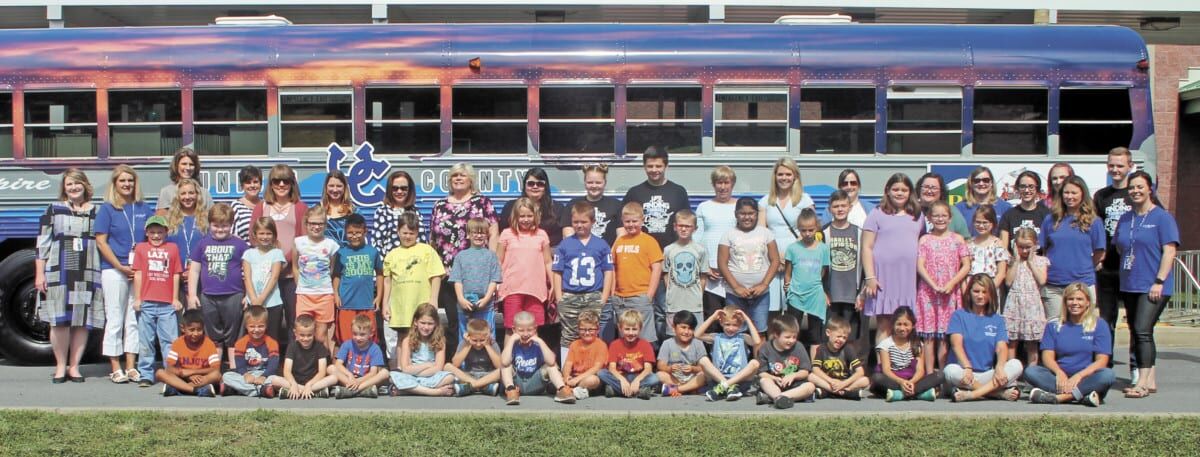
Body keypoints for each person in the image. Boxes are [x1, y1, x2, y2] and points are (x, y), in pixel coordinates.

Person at [1114, 171, 1178, 399]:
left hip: (1153, 285)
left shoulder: (1162, 217)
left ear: (1149, 189)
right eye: (1132, 188)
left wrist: (1159, 281)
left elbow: (1169, 251)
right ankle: (1150, 379)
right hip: (1130, 282)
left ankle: (1141, 382)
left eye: (1140, 187)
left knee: (1141, 330)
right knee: (1141, 331)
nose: (1135, 191)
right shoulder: (1125, 218)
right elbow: (1121, 246)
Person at [430, 163, 499, 355]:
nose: (458, 178)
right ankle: (457, 362)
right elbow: (433, 240)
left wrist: (491, 262)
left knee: (481, 321)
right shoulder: (439, 205)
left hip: (477, 272)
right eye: (454, 176)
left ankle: (485, 363)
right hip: (448, 274)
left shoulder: (482, 202)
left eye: (462, 175)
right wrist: (437, 268)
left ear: (471, 180)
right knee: (454, 322)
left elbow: (494, 233)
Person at [622, 147, 690, 339]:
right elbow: (624, 226)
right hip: (640, 261)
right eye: (650, 166)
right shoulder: (634, 192)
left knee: (663, 309)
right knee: (638, 311)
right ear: (644, 167)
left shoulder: (678, 191)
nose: (654, 170)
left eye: (658, 166)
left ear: (666, 166)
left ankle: (661, 349)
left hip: (668, 260)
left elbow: (685, 223)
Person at [95, 165, 152, 384]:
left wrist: (139, 266)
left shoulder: (143, 208)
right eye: (122, 181)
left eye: (130, 180)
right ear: (115, 184)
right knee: (115, 316)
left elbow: (151, 238)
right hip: (114, 270)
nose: (127, 184)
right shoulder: (108, 209)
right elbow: (101, 242)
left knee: (134, 317)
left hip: (137, 271)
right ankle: (115, 366)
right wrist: (119, 266)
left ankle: (131, 365)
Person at [1026, 283, 1115, 407]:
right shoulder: (1054, 325)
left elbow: (1102, 361)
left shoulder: (1099, 325)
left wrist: (1079, 376)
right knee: (1031, 372)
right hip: (1060, 378)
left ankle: (1061, 398)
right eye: (1070, 299)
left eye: (1079, 299)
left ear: (1088, 302)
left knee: (1107, 375)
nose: (1074, 303)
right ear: (1065, 302)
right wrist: (1059, 372)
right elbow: (1047, 356)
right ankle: (1083, 396)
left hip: (1086, 377)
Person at [863, 173, 924, 342]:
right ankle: (883, 364)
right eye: (895, 189)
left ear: (910, 192)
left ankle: (903, 364)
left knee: (906, 324)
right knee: (884, 324)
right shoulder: (876, 213)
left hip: (908, 279)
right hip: (884, 278)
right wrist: (870, 277)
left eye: (904, 190)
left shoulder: (917, 216)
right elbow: (867, 247)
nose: (899, 193)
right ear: (887, 191)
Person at [945, 274, 1024, 402]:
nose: (980, 296)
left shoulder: (997, 319)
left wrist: (999, 367)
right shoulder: (958, 315)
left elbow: (1001, 347)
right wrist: (967, 367)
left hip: (987, 374)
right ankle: (997, 394)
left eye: (984, 292)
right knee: (950, 370)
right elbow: (956, 345)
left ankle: (972, 394)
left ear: (991, 294)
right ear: (969, 292)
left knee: (1016, 364)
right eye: (976, 291)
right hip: (965, 373)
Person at [188, 203, 249, 366]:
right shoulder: (202, 244)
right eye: (216, 226)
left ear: (232, 225)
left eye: (225, 226)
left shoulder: (240, 245)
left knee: (233, 334)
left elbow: (249, 272)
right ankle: (214, 369)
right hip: (208, 296)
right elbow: (194, 270)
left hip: (234, 295)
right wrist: (192, 295)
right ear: (210, 224)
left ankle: (235, 369)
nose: (220, 229)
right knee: (214, 335)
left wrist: (249, 294)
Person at [251, 164, 307, 336]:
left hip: (291, 274)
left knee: (293, 318)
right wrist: (271, 261)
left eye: (286, 181)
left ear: (292, 183)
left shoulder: (299, 207)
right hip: (265, 275)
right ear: (271, 184)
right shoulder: (261, 207)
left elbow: (302, 239)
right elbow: (253, 237)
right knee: (268, 320)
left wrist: (284, 260)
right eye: (276, 181)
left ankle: (291, 357)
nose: (281, 185)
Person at [916, 200, 972, 374]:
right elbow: (920, 265)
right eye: (936, 216)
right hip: (928, 293)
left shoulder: (957, 239)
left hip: (950, 292)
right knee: (929, 336)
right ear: (930, 218)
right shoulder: (925, 239)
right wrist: (933, 285)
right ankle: (929, 374)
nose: (940, 219)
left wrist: (951, 284)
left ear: (950, 218)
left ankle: (943, 373)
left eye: (943, 216)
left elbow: (966, 265)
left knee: (944, 337)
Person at [552, 202, 613, 360]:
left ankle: (590, 370)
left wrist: (604, 297)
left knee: (591, 333)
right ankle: (567, 372)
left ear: (593, 222)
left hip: (593, 296)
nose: (579, 225)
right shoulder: (565, 244)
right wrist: (559, 297)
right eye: (576, 222)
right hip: (570, 296)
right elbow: (557, 272)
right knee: (569, 335)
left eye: (584, 222)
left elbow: (608, 271)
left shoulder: (601, 245)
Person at [1040, 176, 1105, 320]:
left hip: (1083, 285)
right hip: (1054, 286)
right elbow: (1044, 251)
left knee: (1084, 331)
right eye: (1066, 193)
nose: (1069, 197)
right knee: (1055, 330)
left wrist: (1083, 267)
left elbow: (1100, 253)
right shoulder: (1050, 220)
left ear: (1083, 194)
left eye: (1074, 193)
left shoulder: (1094, 221)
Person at [383, 212, 446, 359]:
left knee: (425, 335)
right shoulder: (392, 254)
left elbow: (436, 275)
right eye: (404, 232)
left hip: (421, 304)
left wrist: (434, 299)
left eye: (411, 233)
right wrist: (386, 303)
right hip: (401, 306)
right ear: (398, 231)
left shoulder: (427, 250)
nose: (407, 236)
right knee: (402, 337)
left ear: (417, 232)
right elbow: (388, 280)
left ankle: (427, 364)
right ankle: (400, 366)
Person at [759, 158, 816, 318]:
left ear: (795, 176)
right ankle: (772, 342)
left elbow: (811, 228)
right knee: (771, 310)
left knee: (793, 309)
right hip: (771, 260)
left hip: (797, 258)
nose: (784, 178)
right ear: (775, 176)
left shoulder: (805, 200)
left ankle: (792, 341)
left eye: (788, 174)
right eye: (780, 174)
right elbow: (761, 232)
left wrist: (787, 257)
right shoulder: (765, 201)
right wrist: (776, 258)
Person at [1094, 147, 1134, 372]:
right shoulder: (1101, 195)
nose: (1116, 169)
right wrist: (1098, 256)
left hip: (1132, 267)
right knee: (1106, 319)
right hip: (1107, 268)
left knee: (1136, 323)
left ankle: (1137, 368)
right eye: (1112, 165)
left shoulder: (1137, 191)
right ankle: (1104, 366)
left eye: (1120, 165)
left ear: (1130, 166)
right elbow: (1095, 227)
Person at [131, 215, 182, 387]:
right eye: (152, 232)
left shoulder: (173, 248)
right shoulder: (141, 248)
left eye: (160, 232)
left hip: (167, 304)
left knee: (170, 341)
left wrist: (175, 298)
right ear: (146, 233)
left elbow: (176, 273)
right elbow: (138, 273)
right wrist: (138, 298)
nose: (156, 236)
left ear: (166, 232)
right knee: (146, 341)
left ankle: (171, 373)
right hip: (146, 303)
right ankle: (146, 373)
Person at [719, 197, 780, 336]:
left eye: (751, 213)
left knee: (759, 331)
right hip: (735, 294)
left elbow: (775, 260)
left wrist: (764, 284)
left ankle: (758, 358)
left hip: (761, 294)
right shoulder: (728, 235)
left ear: (757, 214)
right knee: (734, 330)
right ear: (736, 214)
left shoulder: (766, 233)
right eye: (743, 213)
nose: (747, 217)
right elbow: (722, 263)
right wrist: (736, 287)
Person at [608, 202, 663, 344]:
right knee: (625, 338)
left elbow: (657, 268)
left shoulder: (649, 241)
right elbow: (613, 267)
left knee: (644, 338)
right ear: (622, 221)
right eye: (627, 221)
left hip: (640, 296)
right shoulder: (619, 242)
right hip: (620, 299)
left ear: (642, 220)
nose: (631, 225)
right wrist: (613, 292)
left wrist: (649, 295)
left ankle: (647, 365)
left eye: (634, 221)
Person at [497, 197, 553, 337]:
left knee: (533, 329)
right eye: (522, 216)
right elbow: (498, 261)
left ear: (535, 216)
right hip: (512, 289)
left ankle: (533, 358)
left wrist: (552, 284)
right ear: (515, 216)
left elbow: (548, 262)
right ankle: (508, 359)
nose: (526, 219)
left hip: (535, 290)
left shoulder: (541, 235)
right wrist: (496, 284)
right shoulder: (506, 234)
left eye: (529, 215)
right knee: (511, 328)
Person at [500, 311, 576, 404]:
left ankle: (562, 390)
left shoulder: (538, 344)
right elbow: (504, 362)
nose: (525, 334)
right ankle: (510, 391)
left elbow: (552, 362)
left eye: (529, 330)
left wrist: (540, 341)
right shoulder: (513, 344)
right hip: (517, 384)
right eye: (521, 330)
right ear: (514, 330)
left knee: (550, 366)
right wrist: (511, 340)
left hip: (535, 382)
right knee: (506, 366)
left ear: (535, 329)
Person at [293, 205, 340, 354]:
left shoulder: (331, 245)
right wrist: (300, 285)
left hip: (324, 295)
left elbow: (331, 269)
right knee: (302, 333)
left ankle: (323, 366)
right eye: (312, 223)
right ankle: (303, 366)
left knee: (321, 335)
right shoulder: (298, 242)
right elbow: (295, 267)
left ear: (325, 225)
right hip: (304, 295)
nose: (316, 226)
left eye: (320, 223)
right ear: (306, 224)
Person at [870, 306, 943, 402]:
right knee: (877, 378)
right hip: (894, 380)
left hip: (913, 380)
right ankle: (918, 394)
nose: (902, 328)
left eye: (906, 324)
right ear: (893, 325)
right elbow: (886, 370)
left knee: (940, 375)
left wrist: (911, 382)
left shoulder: (917, 344)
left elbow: (920, 370)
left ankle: (900, 394)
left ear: (912, 326)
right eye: (899, 324)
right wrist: (901, 382)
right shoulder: (885, 344)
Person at [784, 208, 830, 353]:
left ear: (816, 227)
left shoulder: (823, 249)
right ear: (798, 229)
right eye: (803, 230)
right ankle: (792, 364)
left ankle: (815, 367)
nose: (807, 234)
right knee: (792, 331)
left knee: (815, 334)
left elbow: (824, 272)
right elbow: (788, 272)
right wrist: (788, 287)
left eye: (811, 230)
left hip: (815, 295)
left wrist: (821, 291)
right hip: (796, 294)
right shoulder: (792, 248)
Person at [332, 213, 383, 346]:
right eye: (350, 233)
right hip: (346, 304)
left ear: (365, 231)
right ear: (345, 233)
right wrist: (336, 294)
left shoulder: (372, 252)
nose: (354, 236)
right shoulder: (341, 253)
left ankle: (368, 364)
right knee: (346, 339)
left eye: (358, 232)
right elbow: (337, 275)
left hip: (366, 304)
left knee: (368, 338)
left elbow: (379, 274)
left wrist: (379, 296)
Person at [695, 166, 738, 316]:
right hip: (711, 272)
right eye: (719, 183)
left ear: (732, 184)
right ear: (714, 184)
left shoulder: (740, 207)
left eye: (726, 182)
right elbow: (697, 240)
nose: (723, 187)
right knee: (713, 315)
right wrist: (704, 267)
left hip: (734, 270)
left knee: (733, 317)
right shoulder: (704, 207)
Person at [450, 218, 501, 345]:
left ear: (487, 235)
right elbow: (457, 280)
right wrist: (461, 299)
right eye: (475, 232)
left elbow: (494, 280)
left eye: (482, 232)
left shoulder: (491, 256)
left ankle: (490, 362)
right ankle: (464, 363)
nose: (478, 235)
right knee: (465, 336)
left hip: (485, 306)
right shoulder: (461, 256)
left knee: (488, 335)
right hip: (465, 306)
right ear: (468, 234)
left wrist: (486, 299)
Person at [822, 190, 864, 343]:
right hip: (831, 294)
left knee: (849, 336)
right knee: (830, 334)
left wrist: (862, 293)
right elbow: (818, 266)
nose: (840, 209)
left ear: (849, 207)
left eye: (843, 206)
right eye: (835, 206)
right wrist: (823, 290)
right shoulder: (824, 233)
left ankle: (850, 365)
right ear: (829, 209)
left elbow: (865, 266)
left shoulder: (859, 233)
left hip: (852, 294)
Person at [1004, 228, 1050, 367]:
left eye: (1028, 247)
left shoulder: (1041, 261)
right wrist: (1016, 261)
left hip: (1032, 304)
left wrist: (1030, 262)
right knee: (1012, 342)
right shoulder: (1011, 260)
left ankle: (1032, 374)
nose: (1024, 251)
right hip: (1014, 303)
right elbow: (1008, 281)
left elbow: (1042, 280)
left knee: (1031, 344)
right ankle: (1011, 375)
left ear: (1035, 245)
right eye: (1020, 247)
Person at [389, 303, 456, 397]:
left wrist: (420, 375)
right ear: (416, 322)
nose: (426, 327)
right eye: (423, 323)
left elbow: (438, 367)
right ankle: (434, 392)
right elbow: (405, 368)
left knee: (450, 377)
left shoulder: (440, 341)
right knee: (393, 377)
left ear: (436, 323)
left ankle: (408, 390)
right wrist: (427, 365)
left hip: (431, 375)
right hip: (411, 375)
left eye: (430, 324)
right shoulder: (407, 340)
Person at [697, 307, 762, 401]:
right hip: (718, 381)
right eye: (727, 324)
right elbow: (697, 335)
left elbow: (757, 341)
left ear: (740, 325)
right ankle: (728, 387)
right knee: (703, 360)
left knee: (755, 363)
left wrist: (746, 319)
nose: (731, 328)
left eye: (735, 325)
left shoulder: (742, 337)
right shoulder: (716, 337)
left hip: (739, 382)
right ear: (721, 323)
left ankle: (726, 386)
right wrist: (712, 317)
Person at [242, 217, 287, 346]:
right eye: (261, 233)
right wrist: (254, 299)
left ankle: (272, 361)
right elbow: (247, 278)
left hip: (272, 303)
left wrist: (261, 298)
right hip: (253, 303)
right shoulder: (248, 254)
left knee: (272, 336)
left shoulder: (277, 253)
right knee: (253, 335)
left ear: (273, 235)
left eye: (268, 233)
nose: (265, 236)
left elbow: (274, 277)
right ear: (255, 235)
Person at [754, 314, 815, 409]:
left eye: (794, 337)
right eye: (787, 337)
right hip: (774, 384)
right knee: (764, 381)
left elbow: (805, 371)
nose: (791, 340)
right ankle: (782, 398)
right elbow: (762, 373)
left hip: (794, 385)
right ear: (776, 335)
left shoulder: (799, 347)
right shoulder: (766, 348)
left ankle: (777, 398)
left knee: (810, 386)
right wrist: (773, 378)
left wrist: (793, 375)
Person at [156, 309, 221, 397]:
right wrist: (187, 376)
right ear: (183, 328)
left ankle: (178, 389)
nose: (196, 333)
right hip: (182, 378)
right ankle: (194, 390)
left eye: (199, 330)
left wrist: (192, 372)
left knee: (217, 375)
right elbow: (169, 368)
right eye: (192, 330)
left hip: (201, 378)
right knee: (160, 373)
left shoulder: (209, 343)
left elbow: (215, 369)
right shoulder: (177, 343)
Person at [220, 306, 282, 397]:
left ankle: (237, 389)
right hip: (247, 374)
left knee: (274, 379)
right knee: (226, 376)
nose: (256, 330)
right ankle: (261, 390)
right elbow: (239, 365)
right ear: (246, 326)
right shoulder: (240, 343)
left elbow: (273, 365)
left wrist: (264, 376)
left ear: (266, 325)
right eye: (252, 326)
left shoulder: (272, 342)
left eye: (261, 326)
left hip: (264, 373)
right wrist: (245, 374)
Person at [598, 309, 661, 399]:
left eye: (634, 329)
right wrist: (622, 380)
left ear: (640, 329)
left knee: (655, 378)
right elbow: (612, 368)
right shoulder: (615, 344)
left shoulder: (646, 344)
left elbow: (648, 369)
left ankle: (617, 390)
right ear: (620, 328)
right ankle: (638, 391)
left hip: (638, 376)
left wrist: (637, 380)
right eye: (627, 329)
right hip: (620, 376)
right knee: (601, 373)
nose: (631, 333)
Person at [662, 209, 705, 336]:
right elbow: (666, 274)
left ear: (695, 228)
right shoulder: (668, 250)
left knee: (695, 336)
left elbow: (703, 276)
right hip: (674, 304)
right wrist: (670, 293)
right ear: (675, 227)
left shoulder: (700, 250)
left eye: (688, 226)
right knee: (673, 337)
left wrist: (698, 296)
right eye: (681, 225)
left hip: (694, 304)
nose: (684, 229)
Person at [166, 178, 209, 304]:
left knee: (197, 319)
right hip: (174, 277)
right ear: (178, 196)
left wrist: (193, 270)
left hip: (200, 277)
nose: (187, 197)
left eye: (191, 193)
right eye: (183, 193)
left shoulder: (206, 219)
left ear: (197, 195)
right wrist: (179, 271)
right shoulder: (169, 219)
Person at [500, 167, 564, 247]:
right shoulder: (511, 207)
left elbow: (560, 236)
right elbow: (503, 232)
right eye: (531, 183)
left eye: (540, 184)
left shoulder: (557, 208)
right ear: (525, 185)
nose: (535, 186)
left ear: (545, 187)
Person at [279, 314, 339, 399]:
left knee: (334, 378)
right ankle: (313, 392)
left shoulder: (320, 347)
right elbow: (287, 371)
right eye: (302, 335)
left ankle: (300, 391)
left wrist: (309, 385)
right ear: (295, 333)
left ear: (314, 333)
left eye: (309, 335)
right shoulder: (292, 346)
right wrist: (293, 384)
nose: (306, 338)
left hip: (314, 382)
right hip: (296, 381)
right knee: (273, 379)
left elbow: (322, 372)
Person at [809, 316, 870, 400]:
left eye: (844, 337)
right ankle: (844, 393)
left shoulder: (848, 348)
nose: (841, 340)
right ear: (828, 333)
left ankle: (828, 392)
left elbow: (860, 371)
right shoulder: (821, 348)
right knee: (811, 376)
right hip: (828, 381)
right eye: (838, 336)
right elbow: (815, 369)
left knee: (865, 380)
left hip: (844, 381)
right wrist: (831, 381)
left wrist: (843, 384)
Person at [561, 163, 622, 245]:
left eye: (598, 183)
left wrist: (609, 253)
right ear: (584, 182)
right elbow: (567, 234)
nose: (594, 186)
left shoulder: (616, 205)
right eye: (590, 182)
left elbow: (621, 236)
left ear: (605, 183)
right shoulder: (572, 204)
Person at [331, 314, 389, 399]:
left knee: (385, 373)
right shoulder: (347, 344)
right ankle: (363, 391)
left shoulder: (375, 348)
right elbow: (338, 364)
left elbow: (373, 373)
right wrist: (350, 375)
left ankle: (353, 391)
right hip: (349, 379)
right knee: (331, 368)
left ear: (371, 334)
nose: (358, 338)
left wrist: (358, 381)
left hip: (366, 380)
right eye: (355, 334)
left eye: (362, 334)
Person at [655, 311, 708, 397]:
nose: (686, 332)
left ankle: (677, 389)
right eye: (683, 327)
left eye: (690, 329)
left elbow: (703, 367)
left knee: (703, 375)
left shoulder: (698, 343)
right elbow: (660, 365)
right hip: (674, 378)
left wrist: (693, 369)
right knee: (660, 375)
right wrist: (670, 368)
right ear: (674, 328)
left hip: (691, 378)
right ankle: (687, 389)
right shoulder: (667, 343)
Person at [444, 318, 502, 397]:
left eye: (482, 340)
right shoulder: (465, 343)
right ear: (469, 336)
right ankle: (482, 386)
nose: (478, 344)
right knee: (447, 366)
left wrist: (487, 345)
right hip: (469, 375)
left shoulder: (492, 343)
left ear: (487, 337)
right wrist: (468, 345)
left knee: (503, 370)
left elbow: (499, 365)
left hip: (487, 375)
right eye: (474, 340)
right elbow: (455, 364)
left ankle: (471, 387)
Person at [371, 170, 425, 255]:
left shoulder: (416, 211)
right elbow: (377, 244)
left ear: (409, 190)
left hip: (415, 264)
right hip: (391, 265)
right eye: (395, 188)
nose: (399, 191)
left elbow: (422, 241)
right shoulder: (382, 212)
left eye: (404, 188)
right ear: (389, 190)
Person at [999, 170, 1051, 251]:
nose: (1026, 190)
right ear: (1017, 189)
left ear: (1037, 189)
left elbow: (1050, 246)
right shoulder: (1008, 215)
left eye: (1031, 186)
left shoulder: (1046, 215)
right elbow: (1003, 250)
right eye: (1023, 186)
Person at [561, 310, 607, 400]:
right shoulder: (574, 344)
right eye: (583, 329)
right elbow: (568, 364)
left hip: (589, 379)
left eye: (590, 329)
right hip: (574, 377)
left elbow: (596, 368)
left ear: (597, 329)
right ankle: (573, 390)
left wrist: (577, 380)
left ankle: (569, 392)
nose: (586, 333)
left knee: (593, 380)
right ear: (578, 329)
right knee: (559, 375)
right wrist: (566, 376)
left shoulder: (601, 345)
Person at [956, 166, 1012, 236]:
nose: (981, 183)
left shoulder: (1005, 208)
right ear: (971, 184)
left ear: (991, 183)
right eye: (977, 181)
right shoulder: (959, 208)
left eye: (985, 180)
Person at [156, 147, 212, 216]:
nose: (188, 168)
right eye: (184, 164)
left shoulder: (205, 193)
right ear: (176, 166)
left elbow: (213, 220)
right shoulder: (166, 192)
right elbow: (161, 221)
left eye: (191, 164)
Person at [915, 173, 971, 238]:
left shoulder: (951, 211)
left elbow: (966, 239)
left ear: (941, 192)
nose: (929, 191)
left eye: (934, 188)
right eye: (926, 187)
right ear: (919, 189)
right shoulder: (911, 210)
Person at [968, 205, 1010, 280]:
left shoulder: (998, 245)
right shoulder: (969, 244)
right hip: (971, 287)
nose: (981, 226)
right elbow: (964, 270)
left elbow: (1001, 273)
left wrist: (990, 290)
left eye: (985, 223)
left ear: (992, 223)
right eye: (978, 222)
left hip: (991, 287)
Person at [319, 170, 356, 247]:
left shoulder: (353, 211)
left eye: (339, 186)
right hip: (323, 258)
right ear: (326, 187)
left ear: (345, 187)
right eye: (331, 186)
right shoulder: (316, 210)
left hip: (347, 257)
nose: (335, 190)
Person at [230, 165, 261, 242]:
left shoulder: (267, 205)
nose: (252, 185)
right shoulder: (236, 206)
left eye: (255, 182)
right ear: (242, 186)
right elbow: (232, 235)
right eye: (248, 182)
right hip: (244, 252)